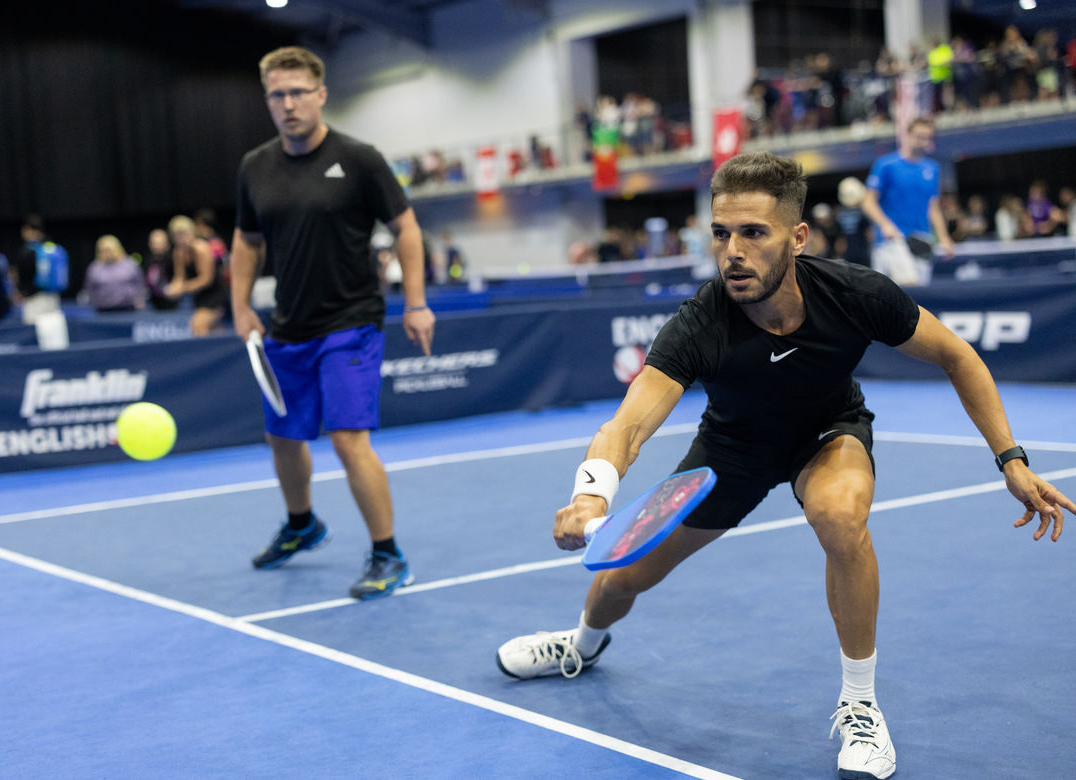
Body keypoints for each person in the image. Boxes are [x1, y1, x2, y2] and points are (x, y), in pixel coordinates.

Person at [495, 152, 1073, 780]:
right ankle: (579, 644)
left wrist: (1010, 459)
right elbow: (628, 425)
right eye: (721, 233)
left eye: (753, 233)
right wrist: (591, 496)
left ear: (796, 238)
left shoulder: (855, 294)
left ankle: (860, 704)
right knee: (624, 578)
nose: (732, 252)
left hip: (827, 435)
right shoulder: (698, 324)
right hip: (731, 452)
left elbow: (959, 358)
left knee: (839, 515)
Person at [230, 46, 435, 599]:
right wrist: (240, 305)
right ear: (267, 100)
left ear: (321, 95)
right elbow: (247, 243)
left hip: (352, 322)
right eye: (278, 94)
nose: (289, 104)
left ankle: (388, 555)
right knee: (282, 437)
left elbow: (407, 228)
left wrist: (415, 303)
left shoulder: (360, 158)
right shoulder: (256, 166)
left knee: (347, 438)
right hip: (287, 327)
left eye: (299, 92)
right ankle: (302, 525)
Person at [861, 116, 954, 286]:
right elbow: (868, 202)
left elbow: (933, 207)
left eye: (926, 137)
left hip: (922, 243)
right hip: (892, 242)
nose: (922, 141)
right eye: (919, 136)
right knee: (898, 295)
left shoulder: (932, 169)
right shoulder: (886, 165)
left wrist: (944, 237)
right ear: (908, 135)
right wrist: (885, 224)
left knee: (919, 302)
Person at [166, 215, 227, 335]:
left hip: (216, 295)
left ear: (191, 232)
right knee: (214, 331)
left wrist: (183, 288)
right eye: (176, 235)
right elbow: (179, 278)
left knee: (198, 326)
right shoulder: (178, 252)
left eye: (183, 234)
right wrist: (173, 288)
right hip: (199, 298)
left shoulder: (201, 249)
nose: (180, 238)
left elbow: (206, 279)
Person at [14, 214, 66, 325]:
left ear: (28, 230)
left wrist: (22, 292)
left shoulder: (27, 252)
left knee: (33, 334)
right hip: (53, 298)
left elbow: (23, 274)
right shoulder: (52, 248)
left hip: (34, 300)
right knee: (52, 332)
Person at [83, 235, 147, 313]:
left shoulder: (130, 264)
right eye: (103, 250)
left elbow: (140, 284)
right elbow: (89, 288)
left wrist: (140, 299)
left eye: (109, 250)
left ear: (117, 249)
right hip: (102, 310)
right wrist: (93, 303)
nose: (107, 253)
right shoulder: (94, 268)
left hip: (128, 308)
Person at [142, 228, 178, 310]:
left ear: (167, 244)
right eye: (154, 243)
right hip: (154, 303)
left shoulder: (174, 259)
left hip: (175, 303)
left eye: (160, 243)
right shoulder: (148, 260)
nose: (157, 246)